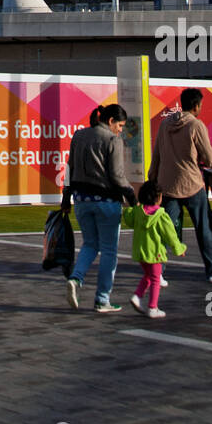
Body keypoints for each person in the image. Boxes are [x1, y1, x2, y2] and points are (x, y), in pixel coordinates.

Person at [148, 87, 212, 284]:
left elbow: (157, 155)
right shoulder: (196, 125)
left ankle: (157, 272)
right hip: (192, 185)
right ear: (196, 106)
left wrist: (153, 178)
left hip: (168, 185)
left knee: (164, 230)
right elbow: (209, 157)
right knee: (203, 229)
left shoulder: (165, 124)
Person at [64, 104, 135, 313]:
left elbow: (70, 169)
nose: (121, 130)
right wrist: (131, 196)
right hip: (106, 201)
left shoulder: (78, 136)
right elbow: (116, 175)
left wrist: (66, 197)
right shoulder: (112, 140)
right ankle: (102, 299)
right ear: (111, 121)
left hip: (81, 201)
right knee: (109, 251)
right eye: (120, 125)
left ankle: (76, 278)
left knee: (89, 244)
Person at [122, 180, 187, 318]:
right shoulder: (161, 215)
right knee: (156, 279)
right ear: (158, 198)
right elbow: (171, 235)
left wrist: (128, 208)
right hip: (155, 253)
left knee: (149, 276)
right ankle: (152, 307)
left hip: (141, 252)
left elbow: (128, 219)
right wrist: (179, 248)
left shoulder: (138, 212)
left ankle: (137, 296)